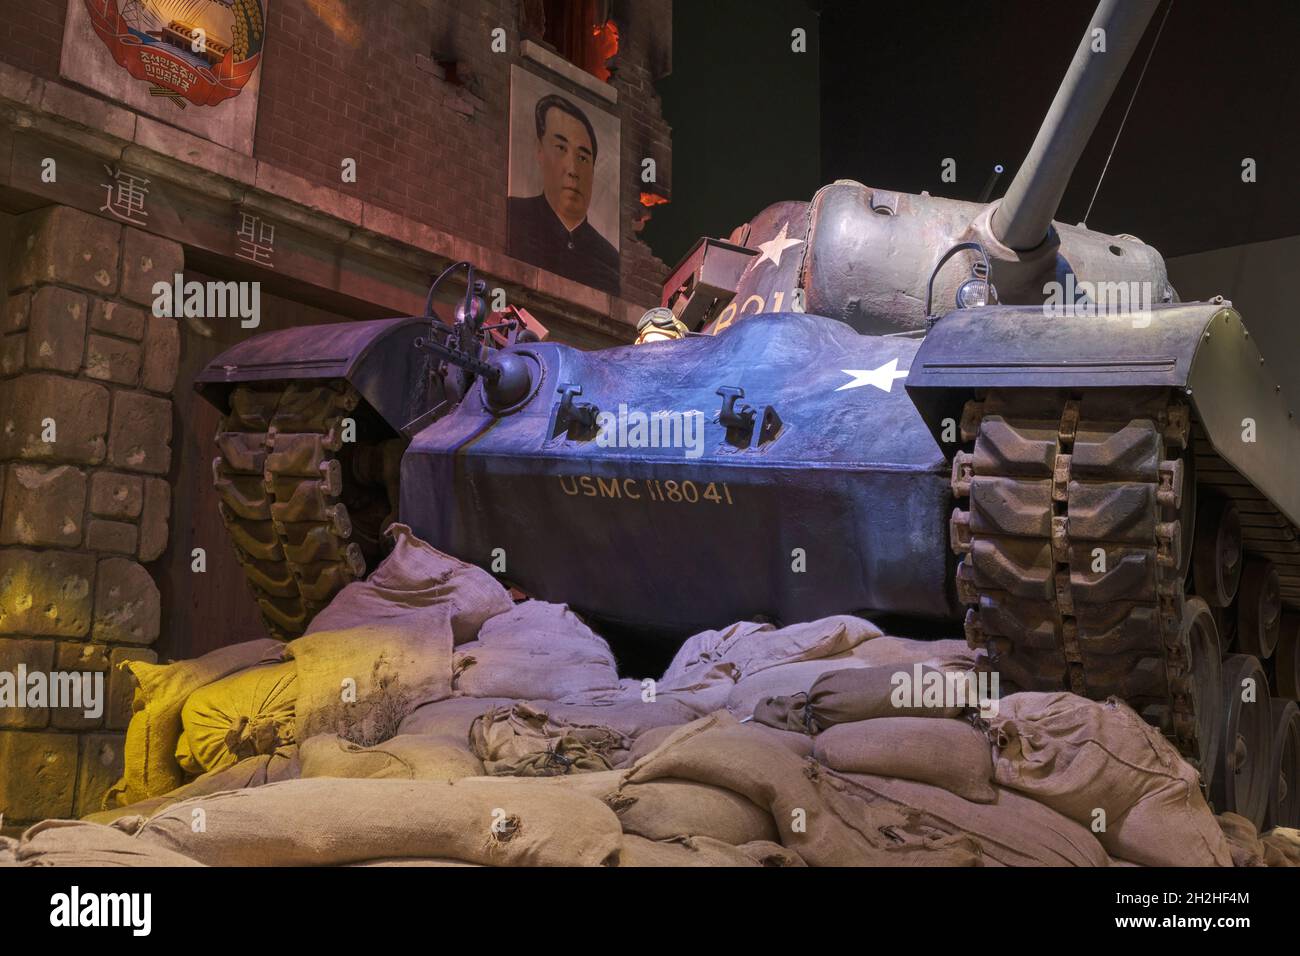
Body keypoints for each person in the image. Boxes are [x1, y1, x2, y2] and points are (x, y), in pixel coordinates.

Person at [508, 93, 620, 295]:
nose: (573, 170)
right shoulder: (513, 214)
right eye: (561, 148)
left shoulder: (610, 259)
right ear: (539, 150)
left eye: (583, 158)